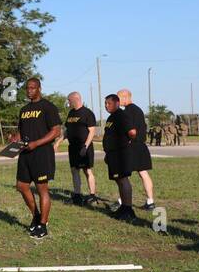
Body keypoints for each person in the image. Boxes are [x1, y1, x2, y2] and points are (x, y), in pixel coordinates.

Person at [12, 77, 61, 238]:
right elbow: (21, 131)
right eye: (27, 88)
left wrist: (36, 143)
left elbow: (56, 131)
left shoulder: (48, 107)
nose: (29, 91)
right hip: (25, 154)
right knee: (21, 186)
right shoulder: (24, 109)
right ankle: (36, 215)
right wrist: (15, 139)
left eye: (32, 88)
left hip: (42, 153)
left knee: (42, 189)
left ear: (39, 88)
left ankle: (43, 225)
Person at [117, 89, 157, 210]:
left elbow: (130, 130)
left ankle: (122, 201)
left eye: (118, 99)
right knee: (143, 173)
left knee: (123, 175)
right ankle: (150, 201)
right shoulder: (138, 110)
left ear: (125, 97)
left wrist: (126, 141)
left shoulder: (127, 111)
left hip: (132, 146)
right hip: (141, 146)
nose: (118, 102)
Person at [101, 93, 137, 221]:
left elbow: (132, 132)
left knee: (123, 180)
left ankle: (128, 209)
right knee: (118, 180)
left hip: (121, 153)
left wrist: (126, 142)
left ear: (117, 103)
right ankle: (123, 207)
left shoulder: (121, 115)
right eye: (105, 103)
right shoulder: (111, 117)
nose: (106, 106)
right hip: (112, 154)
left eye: (108, 103)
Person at [64, 91, 98, 205]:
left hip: (84, 146)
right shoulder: (70, 113)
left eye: (69, 100)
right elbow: (67, 130)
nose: (68, 103)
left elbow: (92, 131)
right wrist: (58, 141)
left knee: (87, 170)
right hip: (72, 147)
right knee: (74, 170)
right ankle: (77, 195)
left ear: (74, 99)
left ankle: (92, 195)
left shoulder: (87, 113)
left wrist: (85, 146)